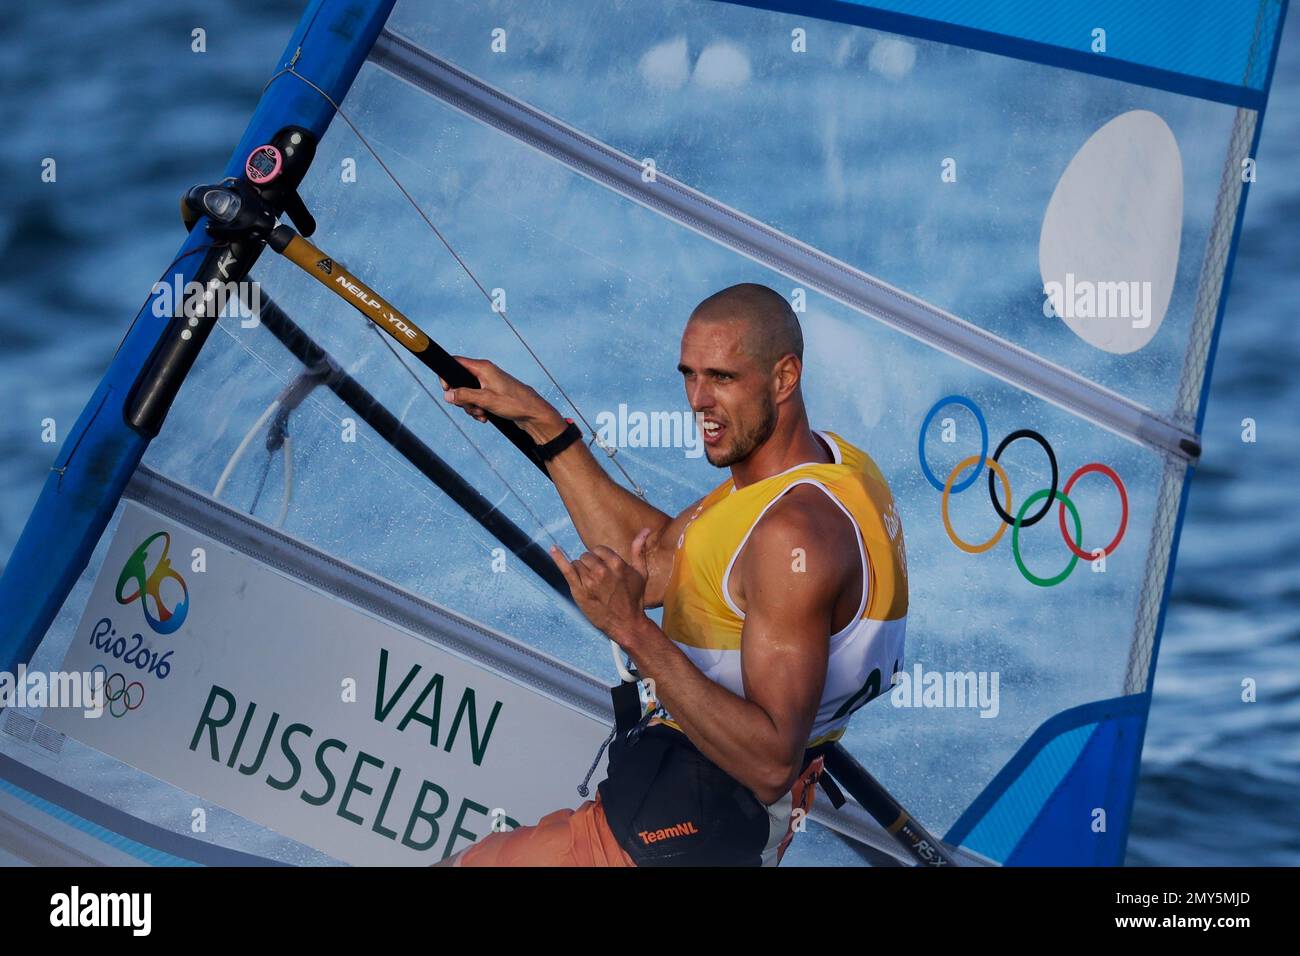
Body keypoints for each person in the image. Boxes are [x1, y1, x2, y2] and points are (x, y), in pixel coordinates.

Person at [441, 283, 907, 866]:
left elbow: (768, 765)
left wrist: (632, 629)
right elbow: (659, 561)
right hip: (704, 816)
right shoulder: (826, 467)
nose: (697, 399)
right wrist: (541, 422)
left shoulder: (793, 536)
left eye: (722, 378)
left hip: (683, 825)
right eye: (689, 374)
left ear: (784, 378)